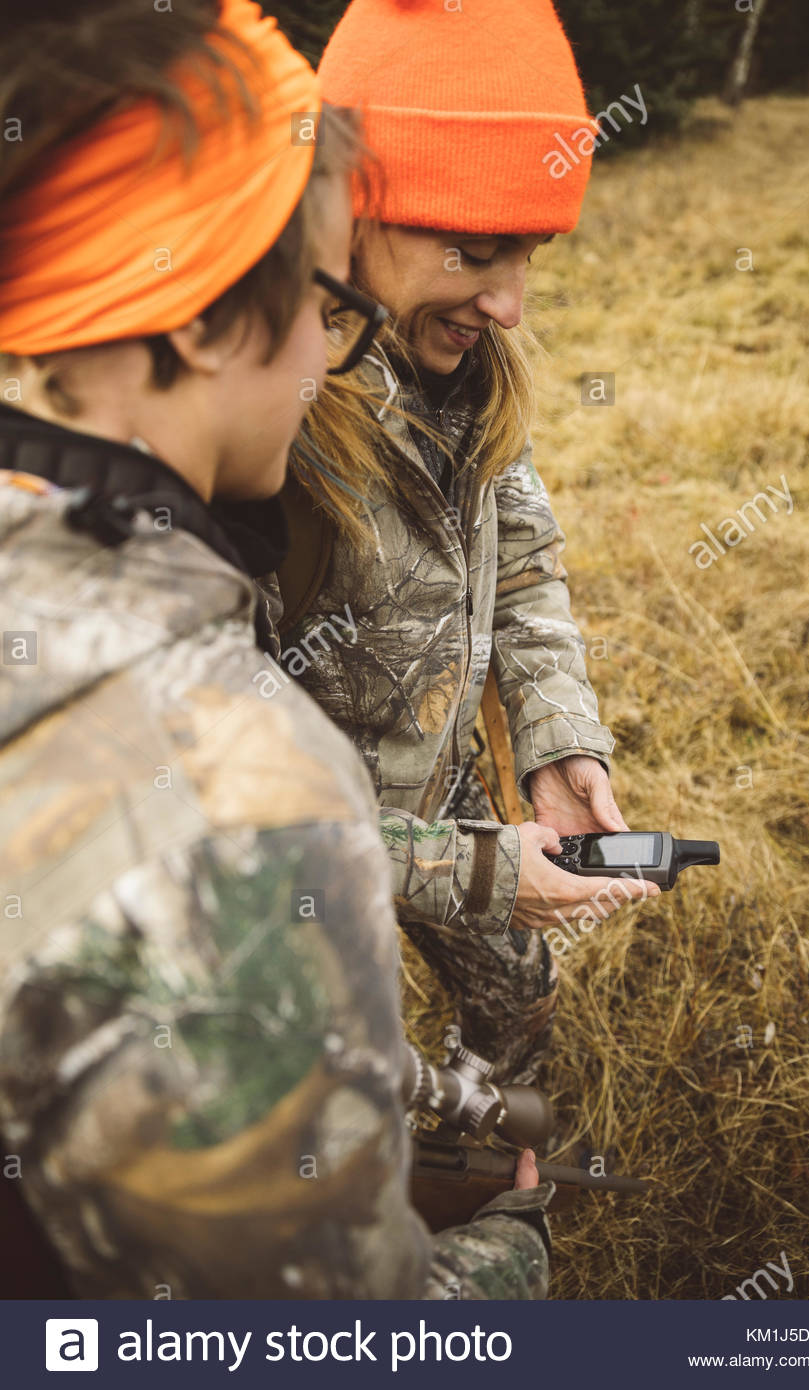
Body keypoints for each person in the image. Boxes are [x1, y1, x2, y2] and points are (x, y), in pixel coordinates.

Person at [0, 0, 551, 1300]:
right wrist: (511, 1252)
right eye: (318, 304)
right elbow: (335, 1331)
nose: (325, 358)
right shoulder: (234, 777)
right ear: (194, 323)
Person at [275, 0, 661, 1085]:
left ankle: (486, 1158)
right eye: (476, 251)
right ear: (350, 212)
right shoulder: (261, 430)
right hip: (297, 863)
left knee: (518, 992)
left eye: (529, 253)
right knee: (336, 1084)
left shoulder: (474, 377)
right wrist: (462, 867)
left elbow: (526, 565)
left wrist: (554, 737)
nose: (508, 303)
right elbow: (216, 821)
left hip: (447, 800)